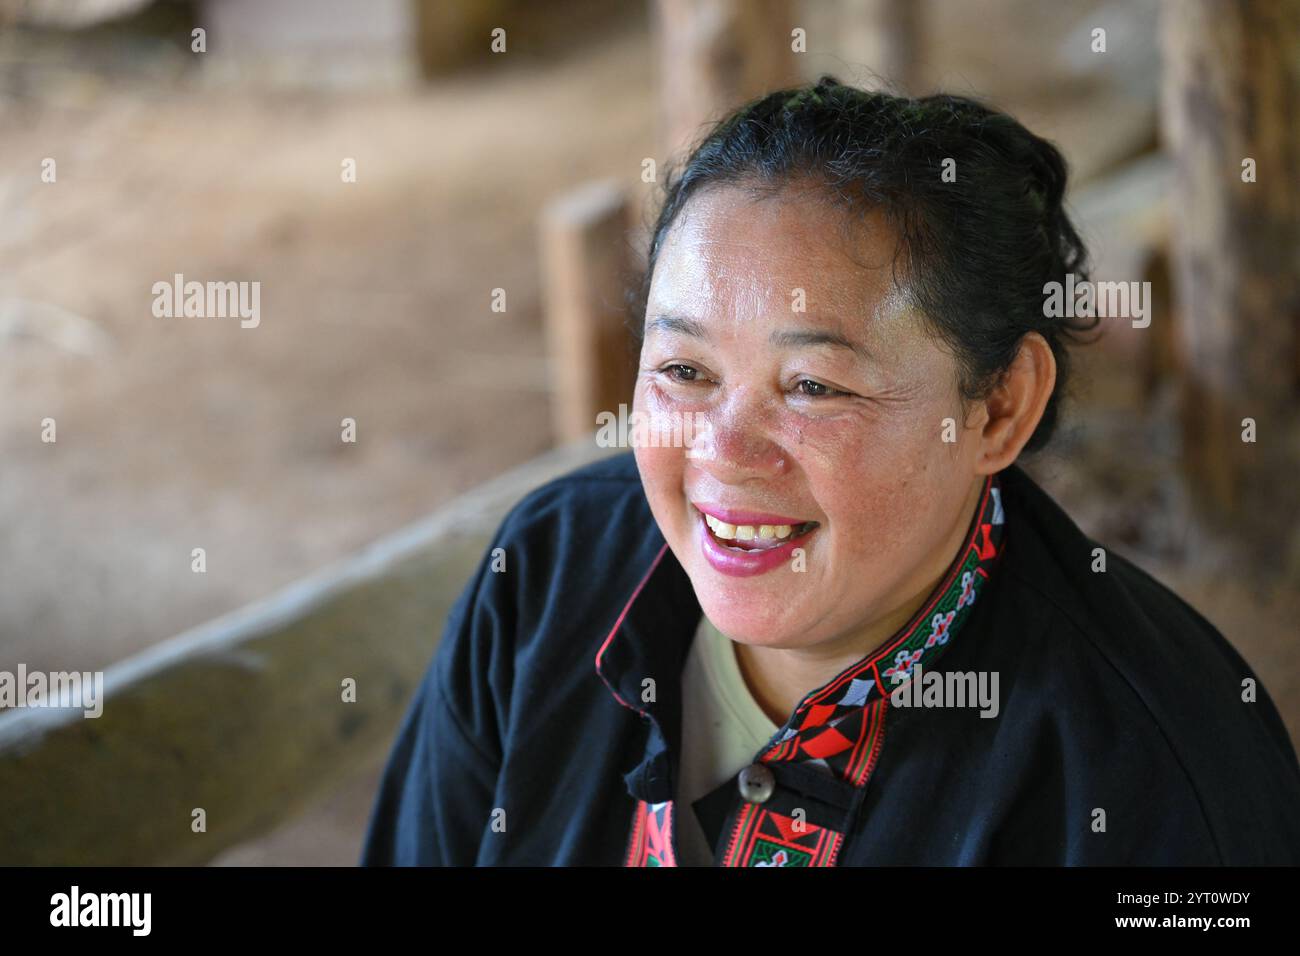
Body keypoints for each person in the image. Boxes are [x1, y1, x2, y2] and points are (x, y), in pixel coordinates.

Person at [361, 76, 1300, 866]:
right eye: (685, 371)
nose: (723, 452)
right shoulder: (544, 577)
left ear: (999, 407)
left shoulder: (1155, 779)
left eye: (813, 386)